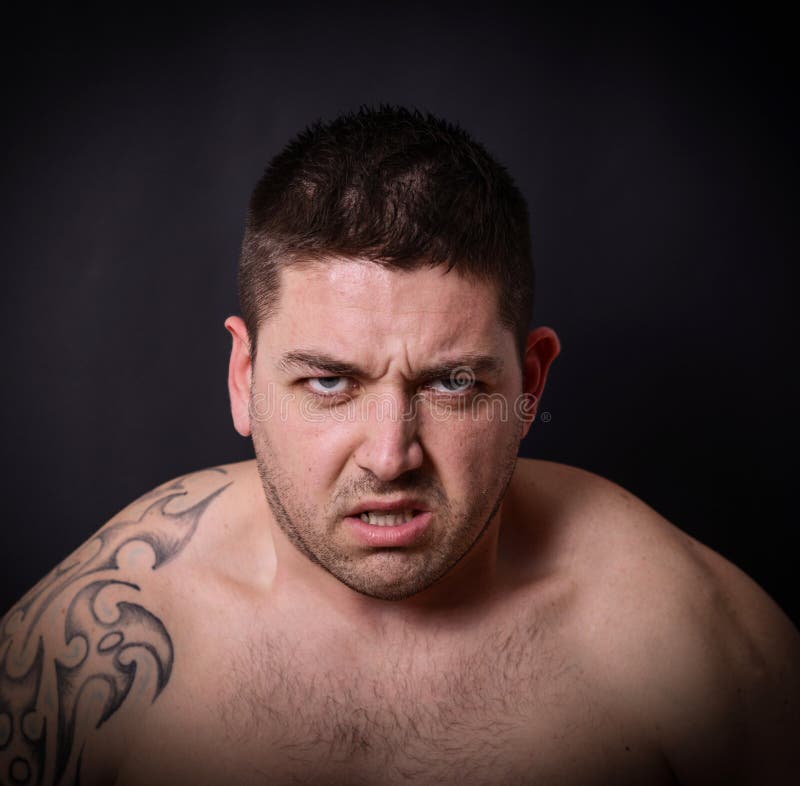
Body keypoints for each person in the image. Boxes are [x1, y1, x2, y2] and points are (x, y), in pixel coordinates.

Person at [1, 106, 797, 786]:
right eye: (327, 383)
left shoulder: (697, 649)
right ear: (244, 377)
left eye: (452, 384)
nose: (390, 456)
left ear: (529, 385)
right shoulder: (97, 645)